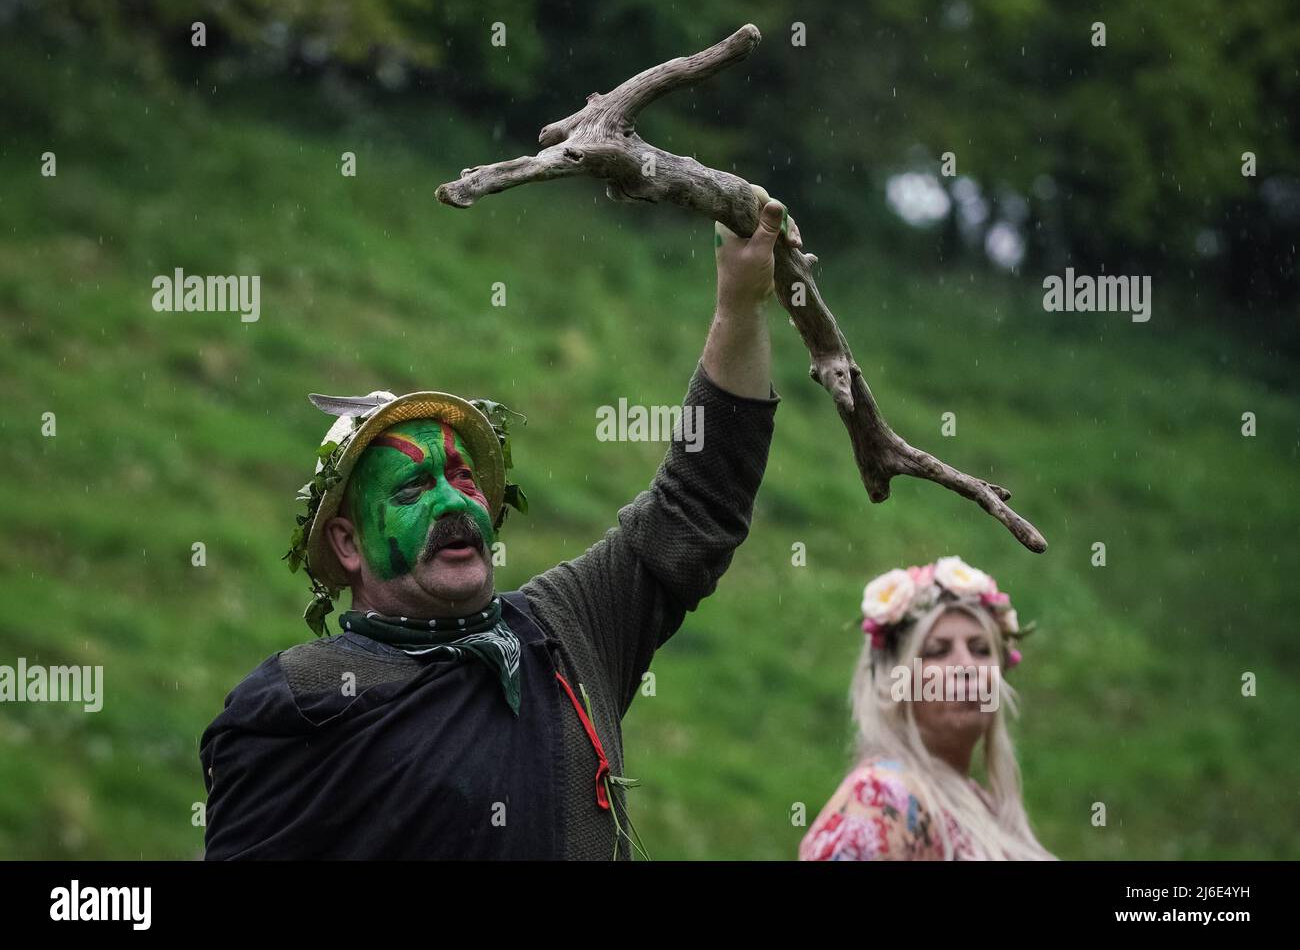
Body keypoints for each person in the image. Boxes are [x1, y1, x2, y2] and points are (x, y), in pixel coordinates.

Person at [200, 192, 797, 859]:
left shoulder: (569, 628)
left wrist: (739, 305)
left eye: (462, 479)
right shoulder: (297, 699)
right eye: (415, 486)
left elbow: (697, 503)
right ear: (346, 543)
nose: (454, 503)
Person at [800, 557, 1054, 860]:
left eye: (981, 649)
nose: (967, 666)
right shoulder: (881, 797)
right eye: (937, 651)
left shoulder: (982, 805)